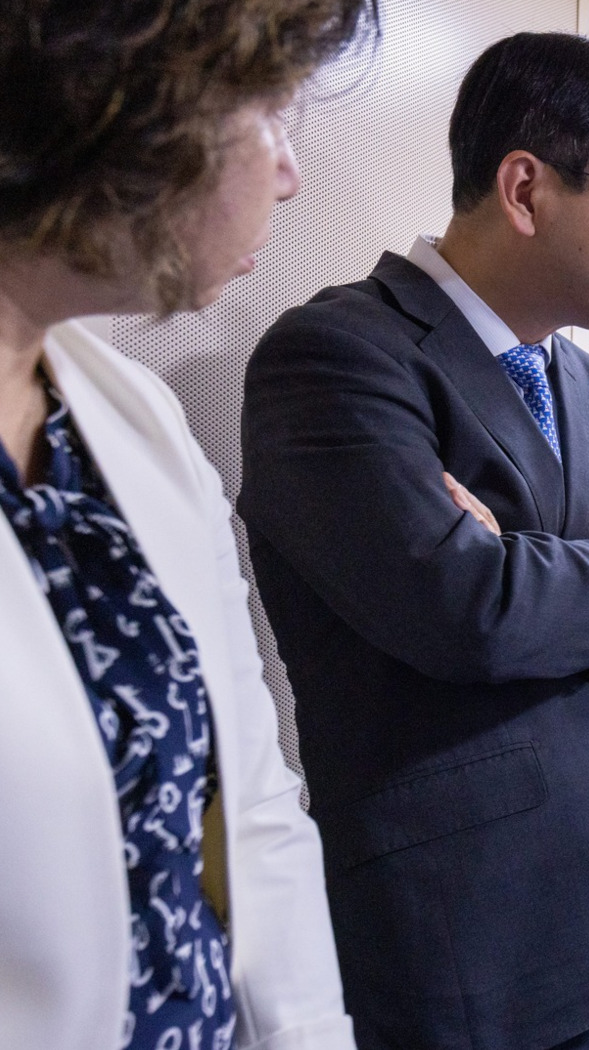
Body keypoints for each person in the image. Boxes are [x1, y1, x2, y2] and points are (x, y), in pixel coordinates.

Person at [235, 32, 589, 1050]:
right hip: (473, 946)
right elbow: (465, 612)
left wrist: (527, 570)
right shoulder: (334, 355)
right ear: (526, 188)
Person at [0, 2, 374, 1048]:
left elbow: (248, 799)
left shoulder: (137, 420)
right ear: (126, 94)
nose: (290, 175)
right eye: (277, 118)